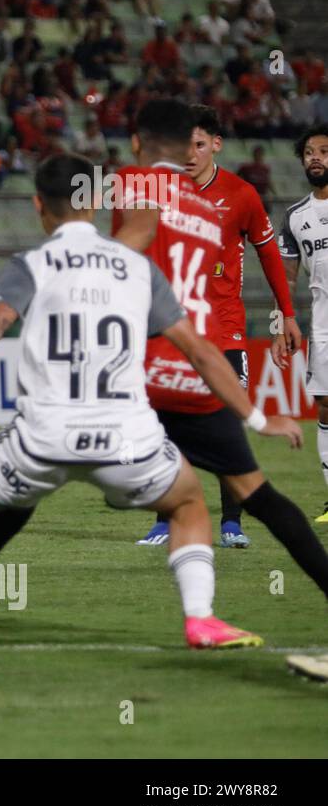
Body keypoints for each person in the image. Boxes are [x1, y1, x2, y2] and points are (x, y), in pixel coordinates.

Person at [0, 152, 302, 658]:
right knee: (188, 504)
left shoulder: (33, 264)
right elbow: (202, 353)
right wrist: (255, 417)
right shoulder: (137, 267)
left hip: (43, 437)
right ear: (95, 203)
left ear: (38, 206)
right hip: (126, 438)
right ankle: (200, 619)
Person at [0, 104, 328, 621]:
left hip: (132, 368)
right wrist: (262, 403)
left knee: (30, 473)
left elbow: (113, 240)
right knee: (257, 490)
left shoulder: (129, 185)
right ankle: (214, 601)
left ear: (139, 143)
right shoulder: (211, 209)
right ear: (190, 146)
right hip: (196, 361)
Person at [136, 105, 300, 546]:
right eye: (184, 145)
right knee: (164, 421)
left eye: (200, 145)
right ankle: (164, 518)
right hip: (172, 328)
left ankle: (232, 522)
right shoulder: (162, 192)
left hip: (224, 326)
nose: (191, 154)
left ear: (217, 145)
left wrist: (286, 312)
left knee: (227, 417)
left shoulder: (242, 194)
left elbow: (268, 253)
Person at [279, 125, 328, 521]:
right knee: (326, 407)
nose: (316, 158)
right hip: (323, 323)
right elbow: (287, 279)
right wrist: (282, 323)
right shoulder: (296, 216)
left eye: (325, 151)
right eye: (310, 152)